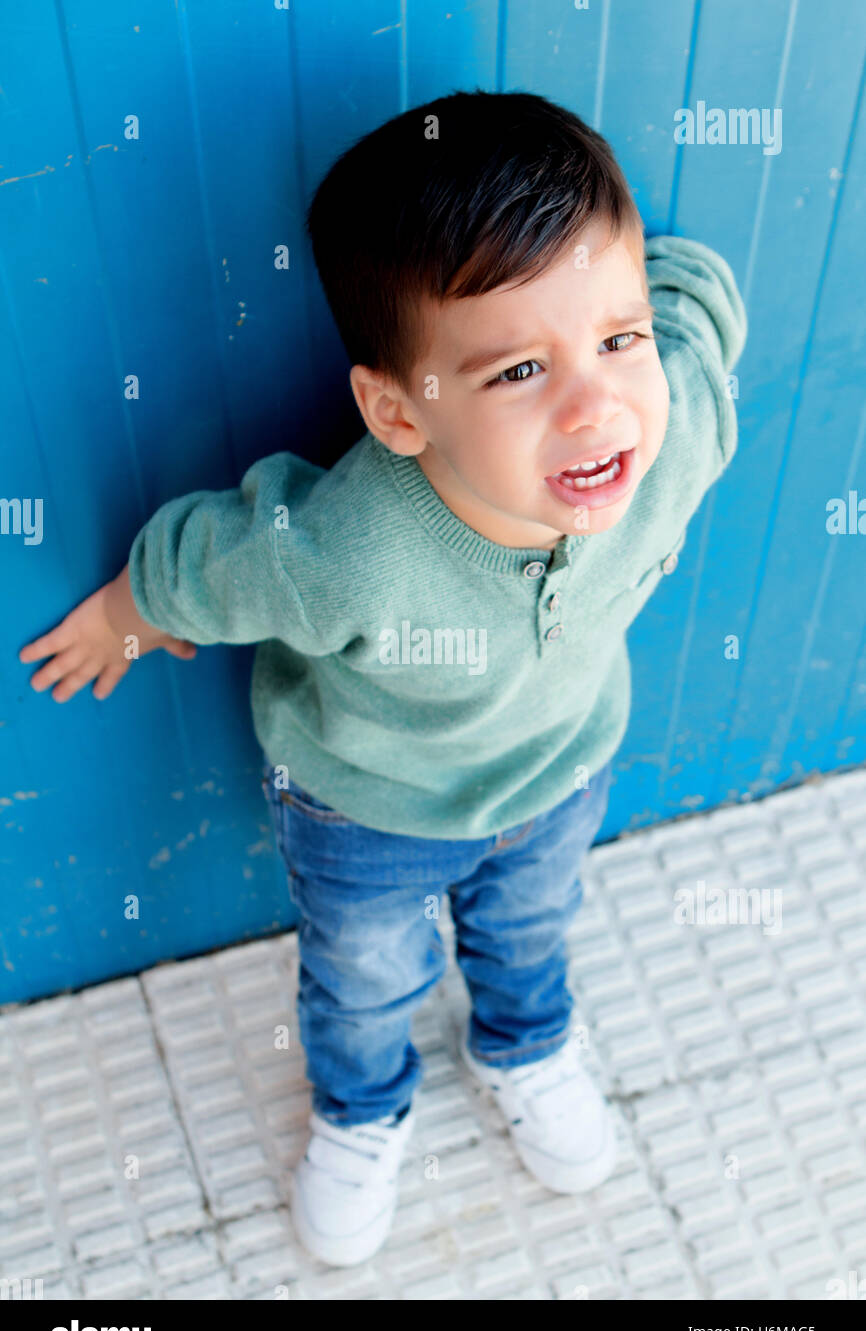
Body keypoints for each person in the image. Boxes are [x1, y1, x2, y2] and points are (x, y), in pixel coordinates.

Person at [18, 89, 747, 1269]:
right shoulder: (349, 551)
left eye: (616, 339)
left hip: (559, 769)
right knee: (363, 978)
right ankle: (361, 1112)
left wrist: (661, 303)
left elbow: (697, 302)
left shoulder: (677, 432)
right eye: (517, 370)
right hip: (369, 811)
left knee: (531, 927)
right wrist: (126, 610)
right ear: (397, 411)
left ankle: (521, 1042)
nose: (594, 403)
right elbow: (219, 558)